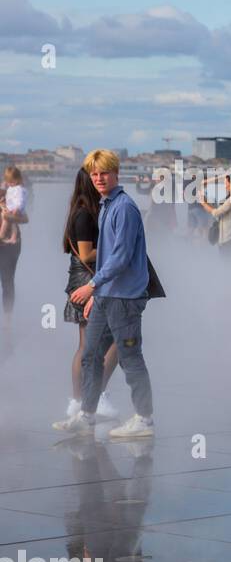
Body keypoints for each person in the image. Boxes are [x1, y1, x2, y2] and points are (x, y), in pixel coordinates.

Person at [54, 149, 156, 438]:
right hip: (106, 295)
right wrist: (97, 296)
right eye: (94, 174)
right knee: (90, 355)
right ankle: (86, 414)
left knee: (130, 357)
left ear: (116, 173)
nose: (99, 178)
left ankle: (144, 420)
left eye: (104, 173)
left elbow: (120, 258)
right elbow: (105, 256)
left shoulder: (123, 207)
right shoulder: (107, 205)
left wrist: (91, 286)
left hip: (124, 298)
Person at [61, 169, 120, 419]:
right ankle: (94, 395)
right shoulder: (85, 214)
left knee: (88, 345)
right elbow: (86, 255)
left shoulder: (81, 210)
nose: (101, 181)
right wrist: (118, 248)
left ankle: (78, 401)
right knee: (116, 339)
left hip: (81, 278)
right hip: (86, 279)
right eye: (95, 177)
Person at [0, 165, 29, 338]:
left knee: (7, 281)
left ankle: (7, 324)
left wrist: (7, 216)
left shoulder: (9, 194)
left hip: (10, 244)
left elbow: (25, 218)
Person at [198, 171, 231, 262]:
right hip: (224, 235)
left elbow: (216, 213)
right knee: (225, 260)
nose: (225, 185)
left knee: (226, 261)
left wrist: (203, 203)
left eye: (226, 183)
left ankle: (229, 275)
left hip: (228, 235)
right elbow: (217, 211)